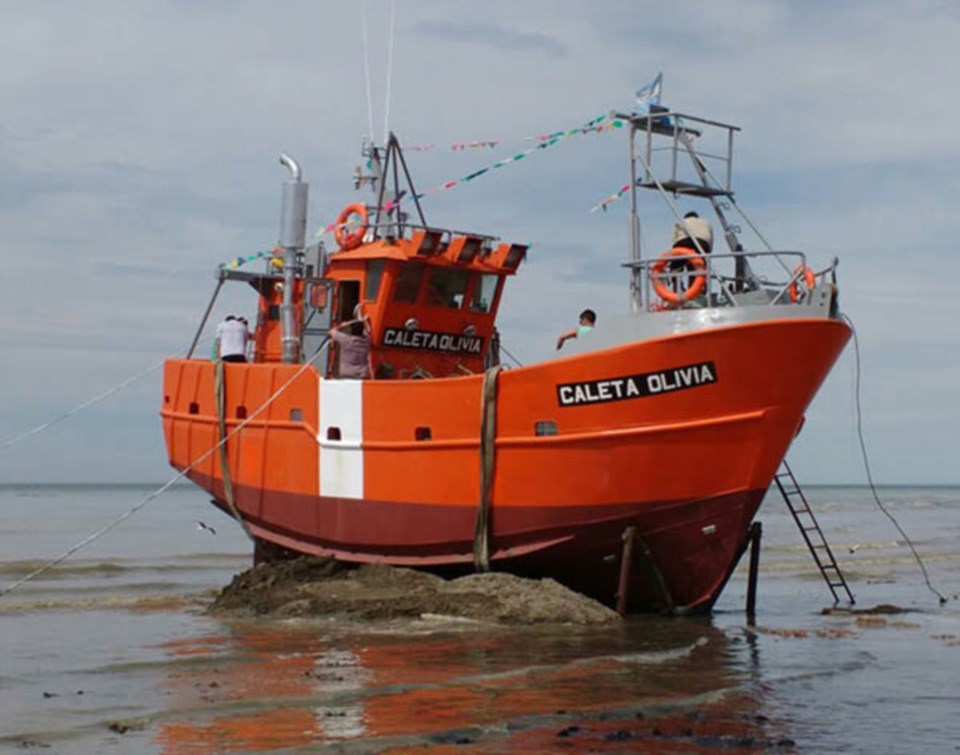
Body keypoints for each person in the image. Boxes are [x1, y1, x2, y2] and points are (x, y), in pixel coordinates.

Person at [331, 308, 374, 379]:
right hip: (361, 375)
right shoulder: (366, 341)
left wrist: (343, 325)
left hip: (346, 375)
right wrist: (364, 320)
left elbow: (331, 331)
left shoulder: (345, 339)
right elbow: (368, 330)